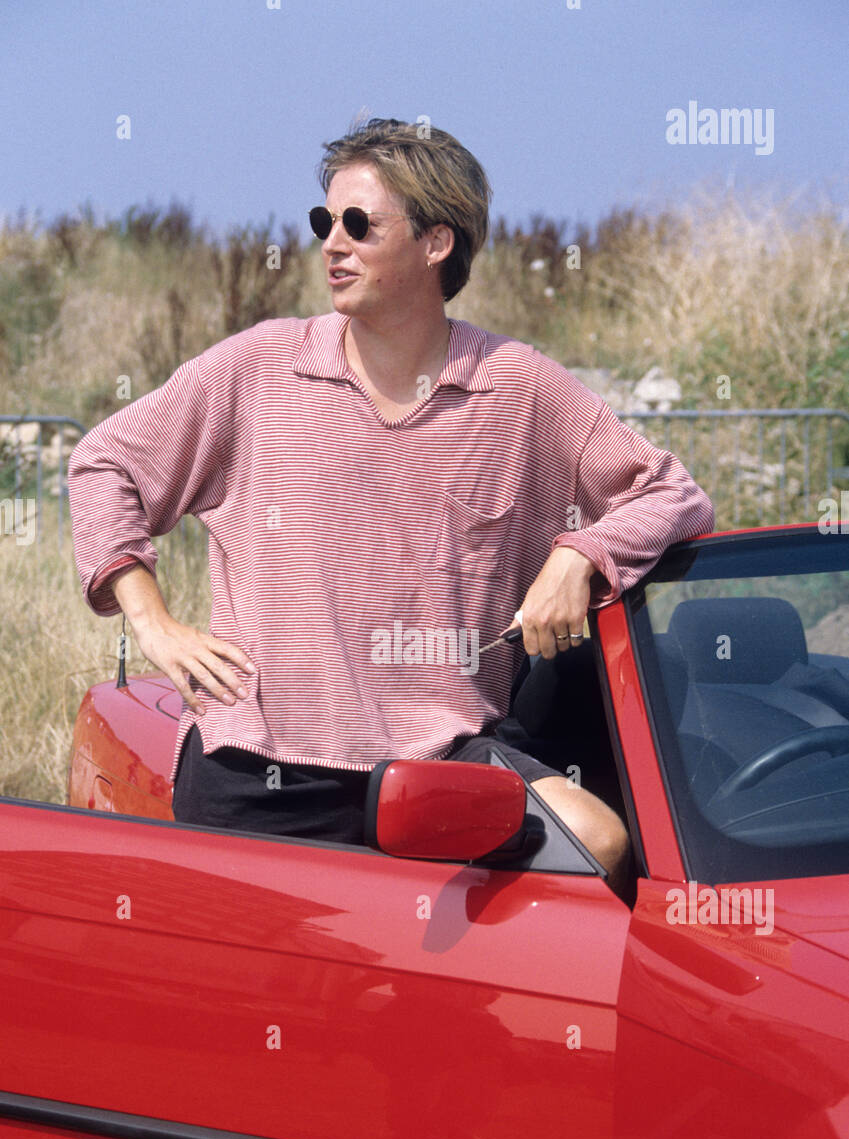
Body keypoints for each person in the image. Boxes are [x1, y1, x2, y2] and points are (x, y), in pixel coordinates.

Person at [68, 118, 714, 899]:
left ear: (436, 242)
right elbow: (105, 462)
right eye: (323, 223)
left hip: (443, 769)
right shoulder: (257, 368)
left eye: (357, 225)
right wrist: (152, 621)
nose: (330, 245)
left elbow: (672, 493)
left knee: (598, 840)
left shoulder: (521, 389)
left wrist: (582, 554)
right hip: (261, 773)